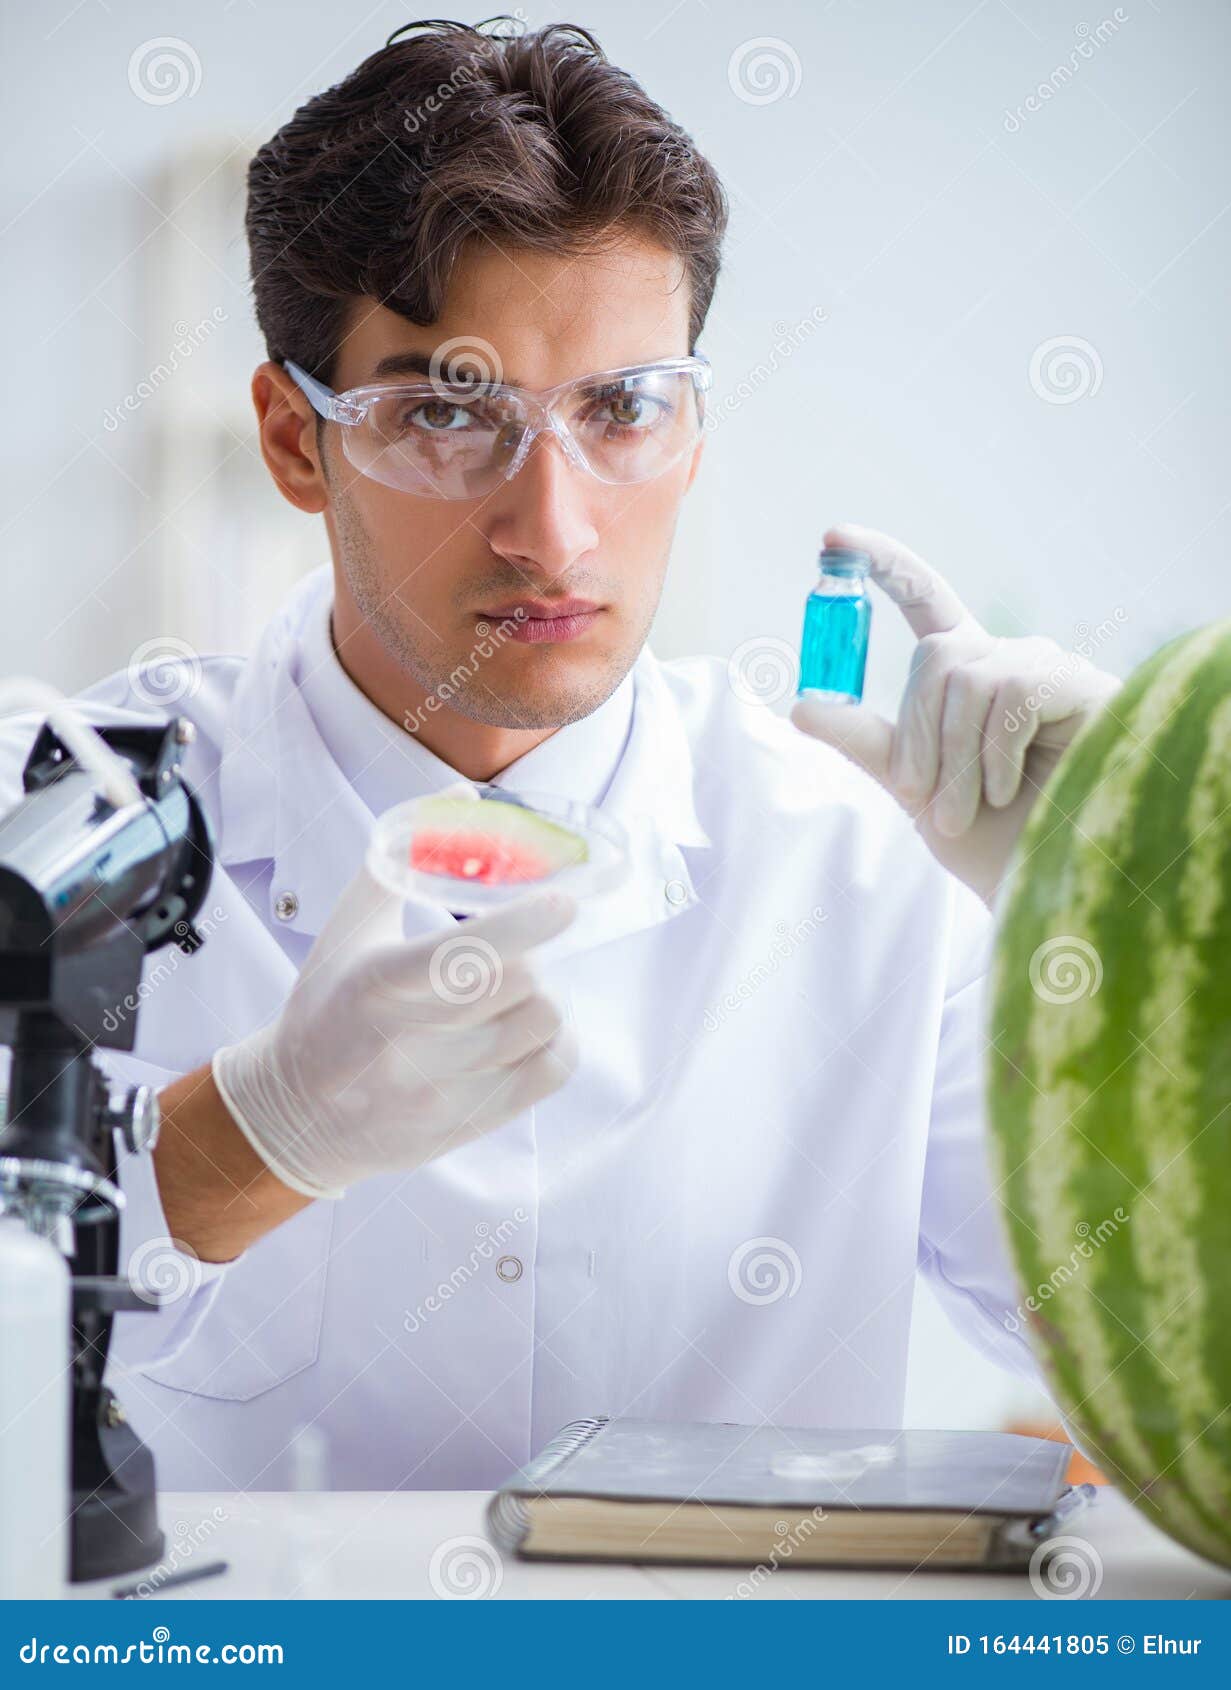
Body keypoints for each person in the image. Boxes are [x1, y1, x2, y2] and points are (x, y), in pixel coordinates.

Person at [0, 20, 1118, 1491]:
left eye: (621, 408)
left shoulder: (872, 862)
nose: (554, 527)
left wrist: (1143, 906)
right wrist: (243, 1135)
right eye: (449, 414)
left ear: (693, 425)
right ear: (292, 438)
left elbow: (1167, 1359)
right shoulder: (67, 811)